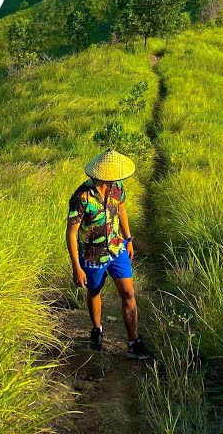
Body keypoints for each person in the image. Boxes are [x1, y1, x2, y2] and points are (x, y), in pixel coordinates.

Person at [65, 149, 155, 360]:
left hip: (117, 249)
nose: (116, 178)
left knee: (129, 294)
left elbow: (121, 210)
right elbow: (71, 233)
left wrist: (128, 238)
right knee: (94, 291)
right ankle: (96, 329)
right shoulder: (81, 197)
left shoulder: (117, 188)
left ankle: (133, 343)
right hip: (92, 255)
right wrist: (76, 267)